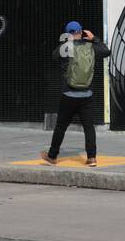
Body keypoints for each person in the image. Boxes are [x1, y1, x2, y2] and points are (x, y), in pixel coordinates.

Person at [40, 21, 110, 167]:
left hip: (69, 95)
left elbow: (53, 56)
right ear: (81, 31)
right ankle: (91, 158)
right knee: (88, 127)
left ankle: (52, 156)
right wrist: (94, 38)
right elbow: (106, 51)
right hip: (87, 95)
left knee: (61, 126)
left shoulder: (65, 48)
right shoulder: (91, 47)